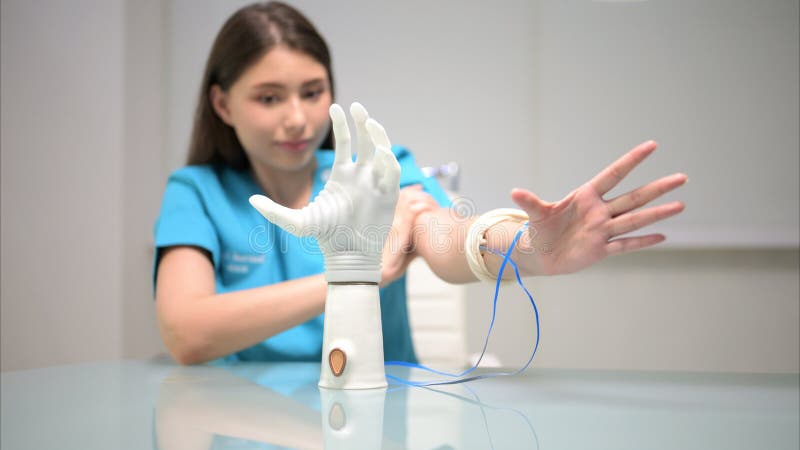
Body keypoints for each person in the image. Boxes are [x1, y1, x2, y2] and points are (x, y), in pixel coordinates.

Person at [154, 2, 687, 366]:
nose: (297, 118)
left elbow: (443, 236)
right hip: (243, 420)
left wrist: (527, 246)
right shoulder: (196, 192)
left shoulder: (378, 169)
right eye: (269, 98)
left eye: (313, 92)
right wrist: (359, 275)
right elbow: (187, 333)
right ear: (223, 103)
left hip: (377, 420)